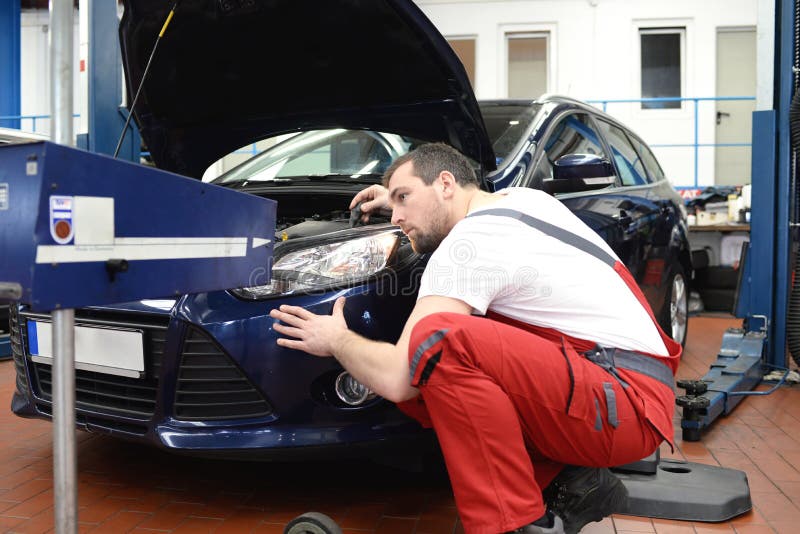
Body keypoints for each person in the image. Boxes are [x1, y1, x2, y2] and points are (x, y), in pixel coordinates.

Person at [269, 143, 682, 534]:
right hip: (631, 388)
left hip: (621, 405)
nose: (395, 216)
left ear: (446, 184)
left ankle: (508, 524)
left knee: (434, 343)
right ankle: (576, 480)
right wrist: (401, 196)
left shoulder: (468, 248)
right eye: (392, 203)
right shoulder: (523, 201)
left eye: (403, 199)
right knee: (433, 372)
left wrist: (337, 340)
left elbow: (397, 378)